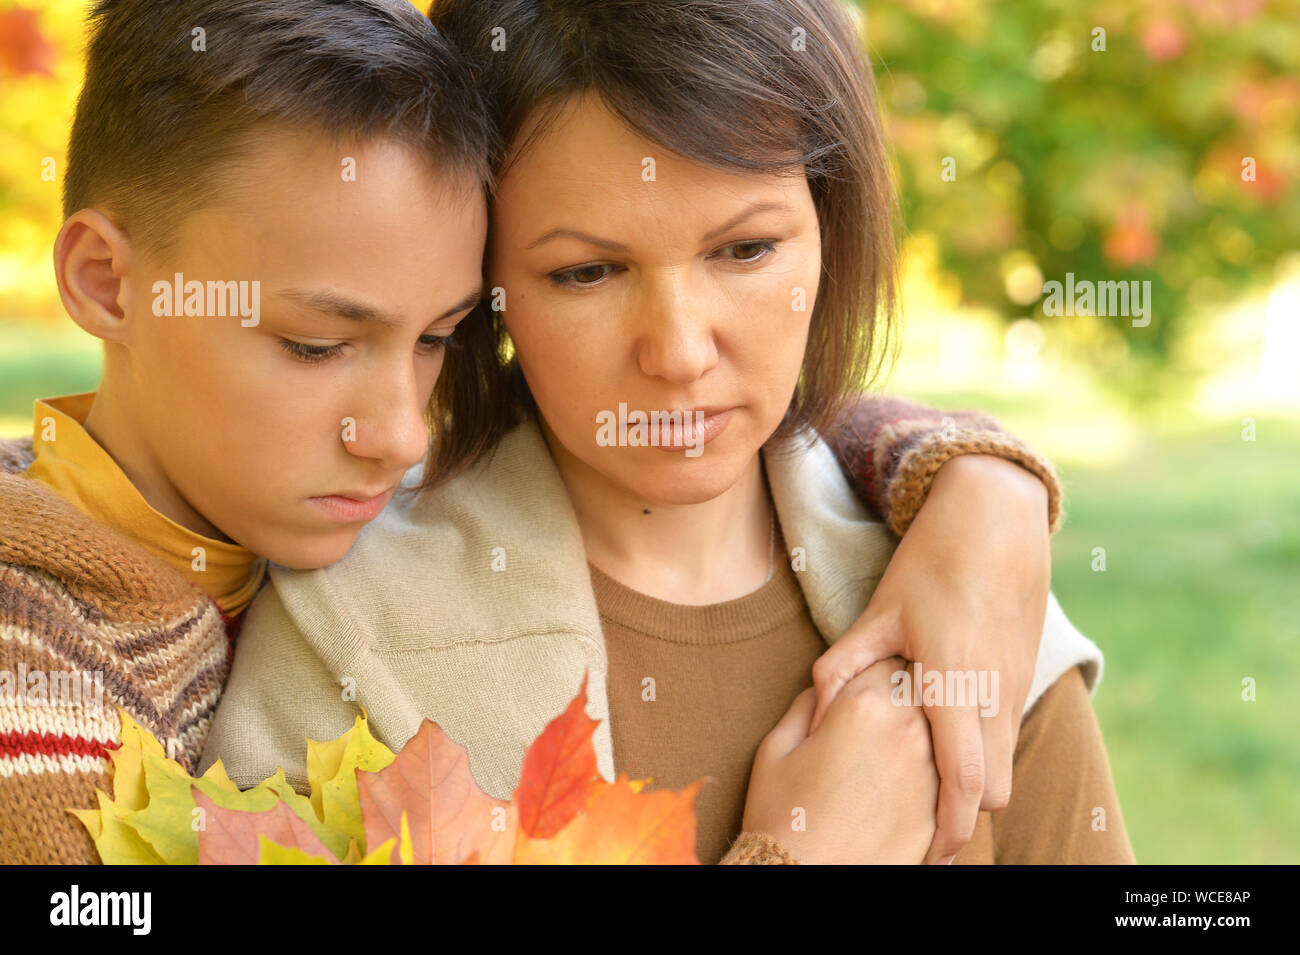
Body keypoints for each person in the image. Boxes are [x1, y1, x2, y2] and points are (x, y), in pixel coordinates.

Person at [203, 0, 1133, 864]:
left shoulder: (975, 616)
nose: (680, 353)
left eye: (745, 250)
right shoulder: (343, 630)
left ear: (830, 228)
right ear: (480, 279)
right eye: (588, 272)